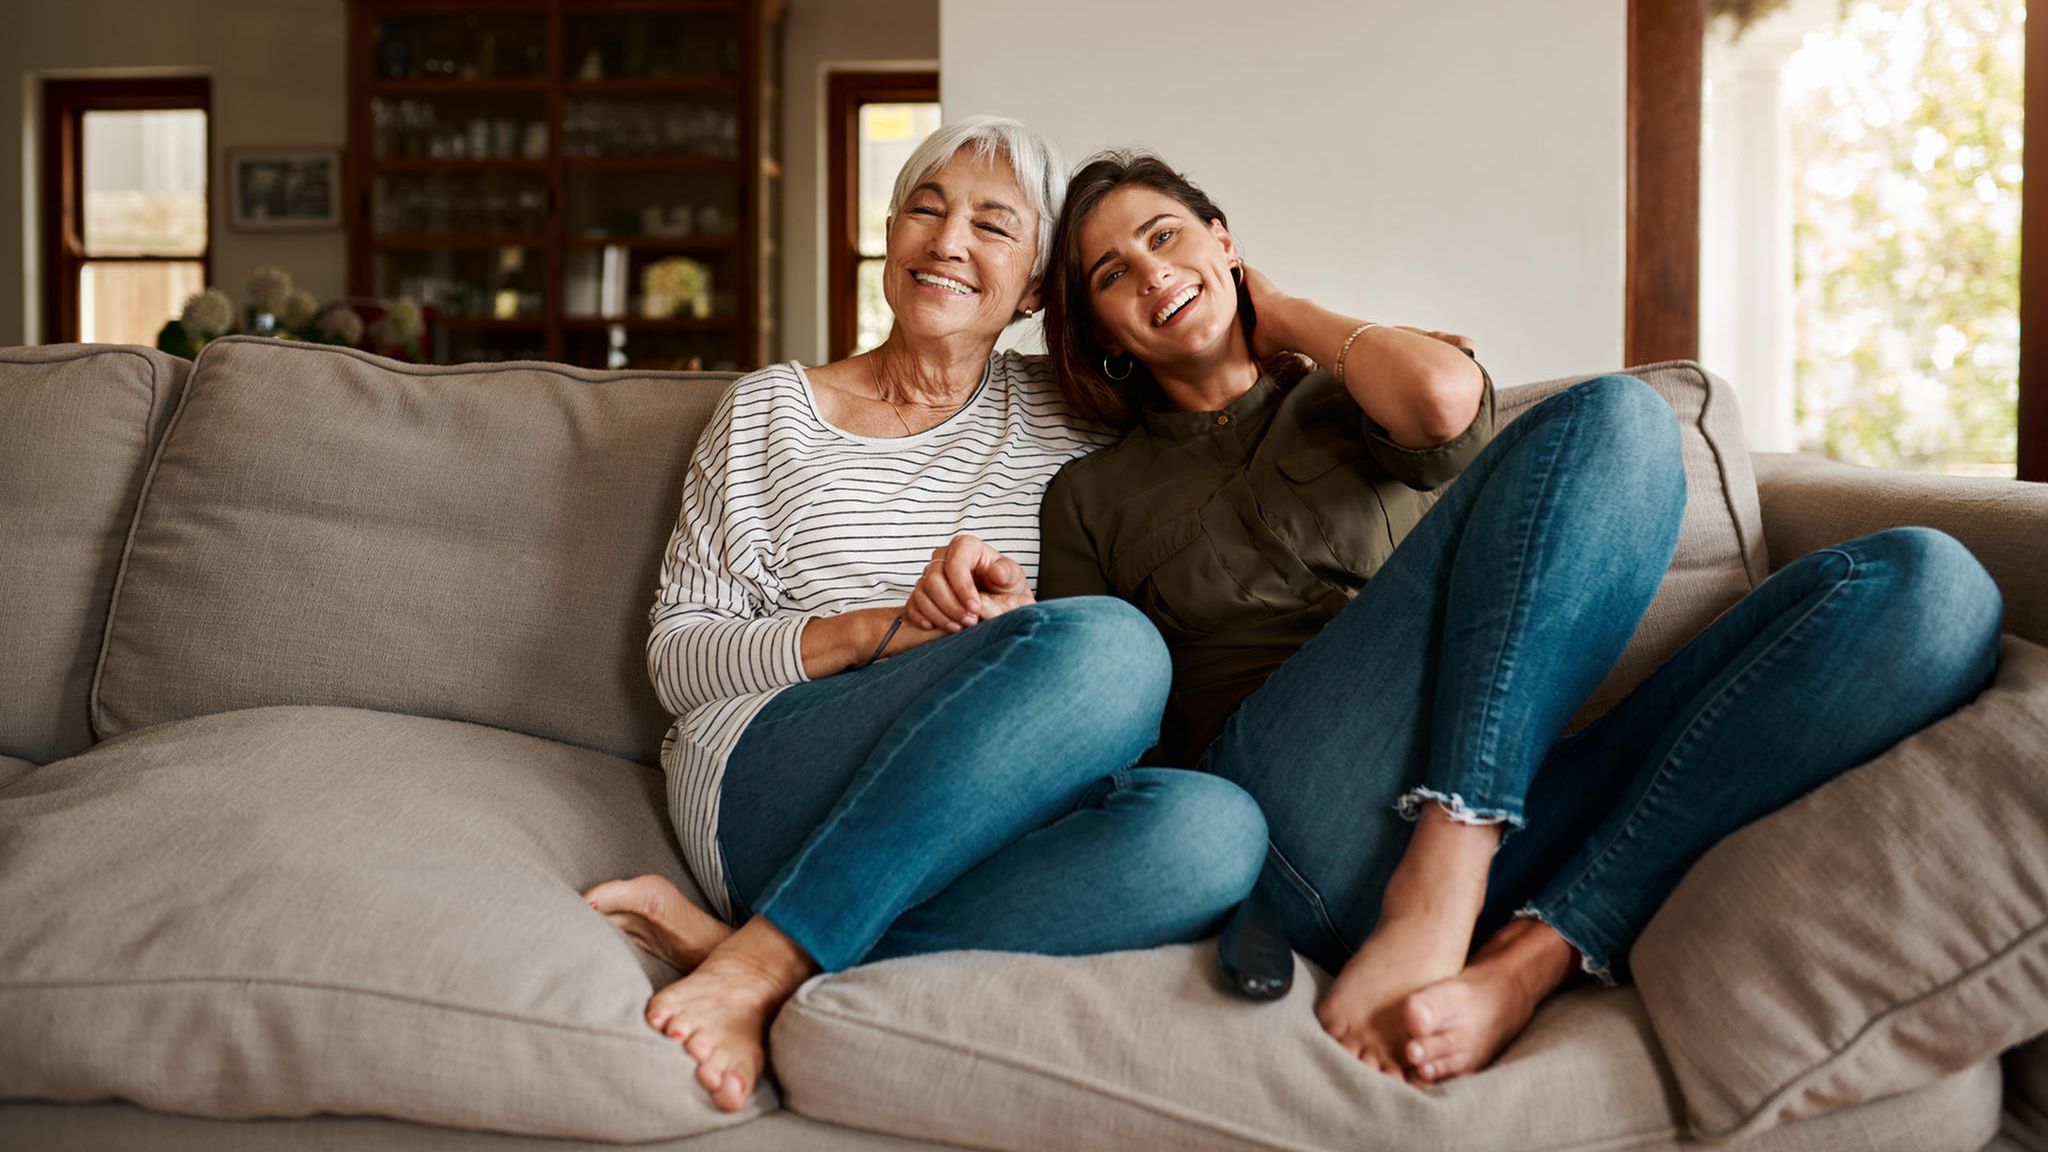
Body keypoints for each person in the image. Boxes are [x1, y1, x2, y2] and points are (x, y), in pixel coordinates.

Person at [939, 149, 1995, 1085]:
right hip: (1299, 813)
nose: (1151, 273)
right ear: (1102, 334)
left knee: (1925, 589)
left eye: (1165, 236)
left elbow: (1443, 402)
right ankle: (1438, 881)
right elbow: (1105, 717)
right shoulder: (1090, 494)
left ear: (1223, 241)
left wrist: (1290, 314)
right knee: (1619, 416)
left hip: (1511, 779)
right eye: (1111, 276)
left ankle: (1525, 955)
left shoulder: (1349, 388)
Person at [581, 124, 1269, 1113]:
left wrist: (1012, 646)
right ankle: (772, 950)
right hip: (772, 780)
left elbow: (1221, 359)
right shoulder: (769, 414)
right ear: (891, 235)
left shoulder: (1076, 416)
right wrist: (882, 631)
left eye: (993, 224)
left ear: (1037, 288)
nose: (947, 242)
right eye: (925, 208)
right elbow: (677, 660)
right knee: (1109, 644)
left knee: (1213, 833)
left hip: (964, 815)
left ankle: (763, 954)